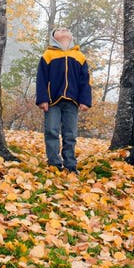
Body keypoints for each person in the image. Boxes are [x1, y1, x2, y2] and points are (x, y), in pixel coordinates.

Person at [35, 27, 92, 173]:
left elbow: (84, 80)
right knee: (52, 131)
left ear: (71, 36)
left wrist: (85, 100)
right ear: (53, 37)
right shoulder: (48, 55)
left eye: (66, 29)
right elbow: (41, 79)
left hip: (72, 101)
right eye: (59, 30)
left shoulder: (79, 56)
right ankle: (54, 163)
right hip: (52, 100)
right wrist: (42, 99)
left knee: (70, 134)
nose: (63, 30)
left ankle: (70, 164)